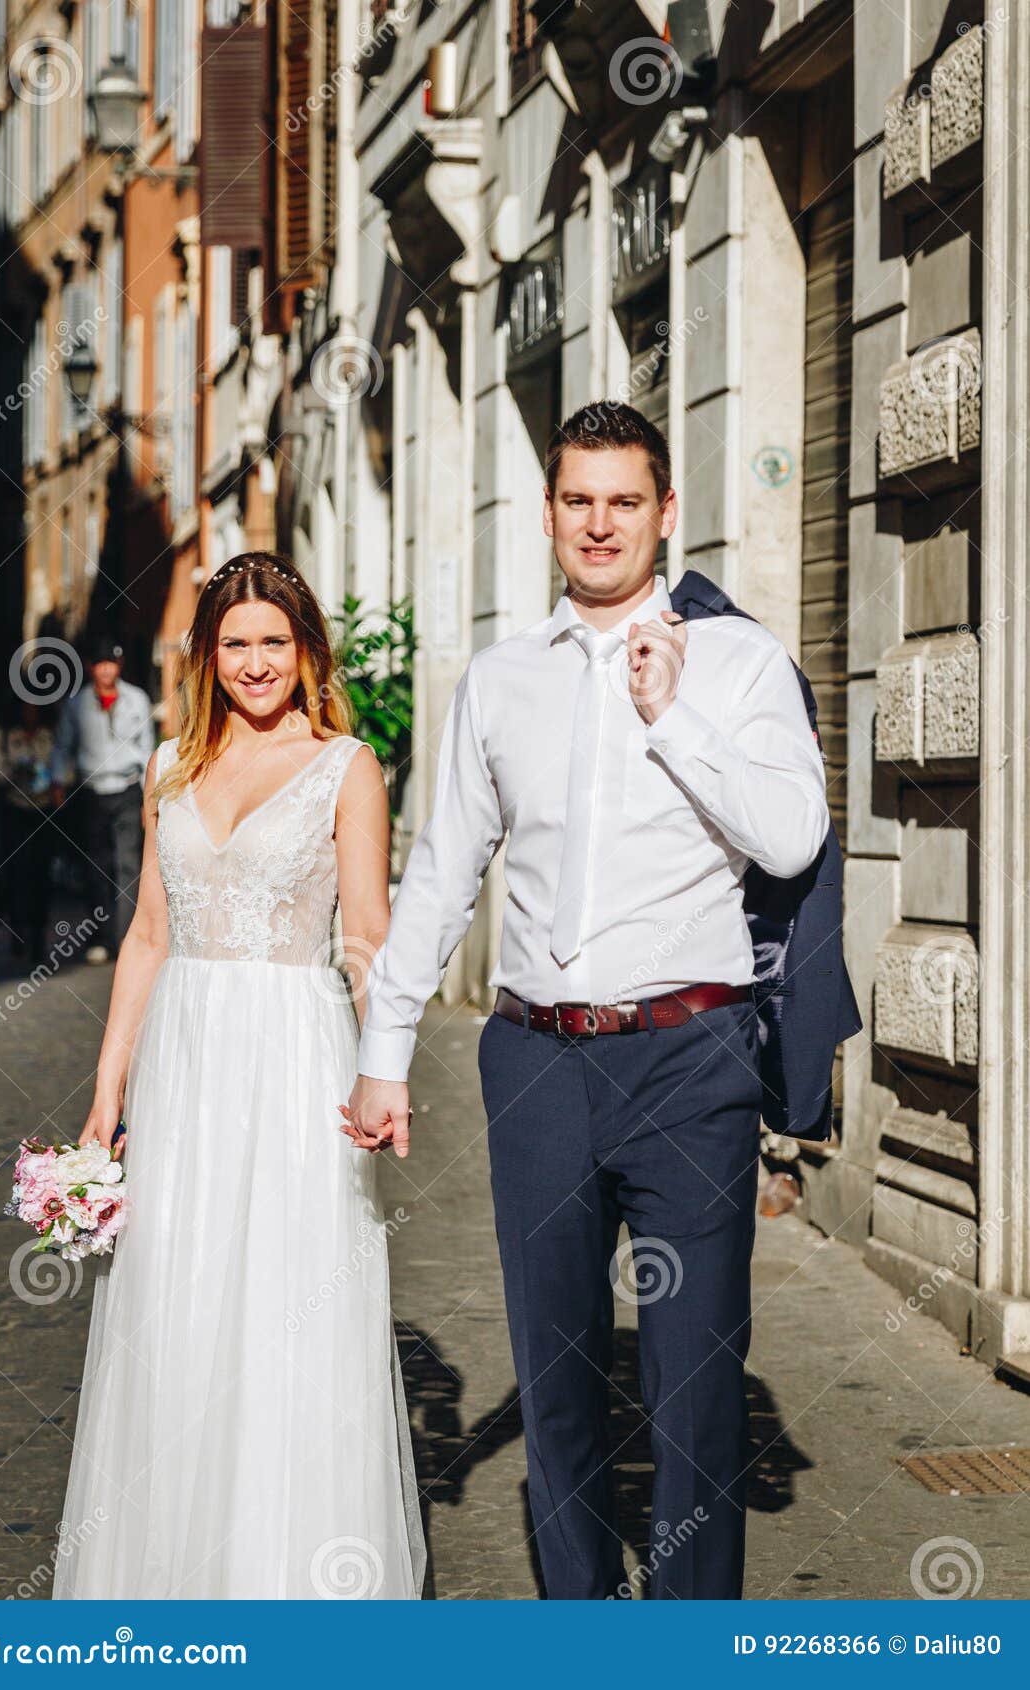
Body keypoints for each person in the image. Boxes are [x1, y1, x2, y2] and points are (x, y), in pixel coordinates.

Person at [342, 401, 834, 1600]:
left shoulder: (738, 664)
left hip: (688, 1059)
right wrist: (384, 1048)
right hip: (536, 1065)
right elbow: (441, 868)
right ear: (550, 514)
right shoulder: (502, 681)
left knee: (694, 1391)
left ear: (665, 514)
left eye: (624, 500)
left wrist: (676, 719)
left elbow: (792, 838)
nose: (599, 523)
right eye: (577, 500)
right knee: (557, 1386)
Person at [52, 553, 424, 1600]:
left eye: (273, 640)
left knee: (285, 1308)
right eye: (235, 643)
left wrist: (378, 1068)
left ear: (304, 650)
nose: (255, 662)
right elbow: (147, 934)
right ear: (207, 656)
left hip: (294, 1061)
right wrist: (106, 1091)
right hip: (185, 1064)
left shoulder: (346, 766)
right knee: (176, 1307)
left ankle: (286, 1592)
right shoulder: (171, 762)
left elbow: (366, 932)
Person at [49, 635, 154, 963]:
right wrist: (56, 780)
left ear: (119, 666)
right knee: (96, 867)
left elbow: (149, 749)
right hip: (91, 793)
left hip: (128, 789)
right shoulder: (76, 703)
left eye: (112, 663)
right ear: (91, 668)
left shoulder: (136, 700)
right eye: (100, 664)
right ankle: (101, 937)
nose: (106, 670)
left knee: (128, 865)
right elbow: (64, 745)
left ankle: (126, 938)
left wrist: (150, 798)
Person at [0, 699, 57, 964]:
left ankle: (38, 937)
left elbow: (65, 770)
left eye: (35, 707)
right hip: (15, 809)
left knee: (41, 874)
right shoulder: (5, 736)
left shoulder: (50, 734)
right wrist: (16, 769)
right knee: (17, 874)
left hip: (43, 811)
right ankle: (18, 930)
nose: (30, 712)